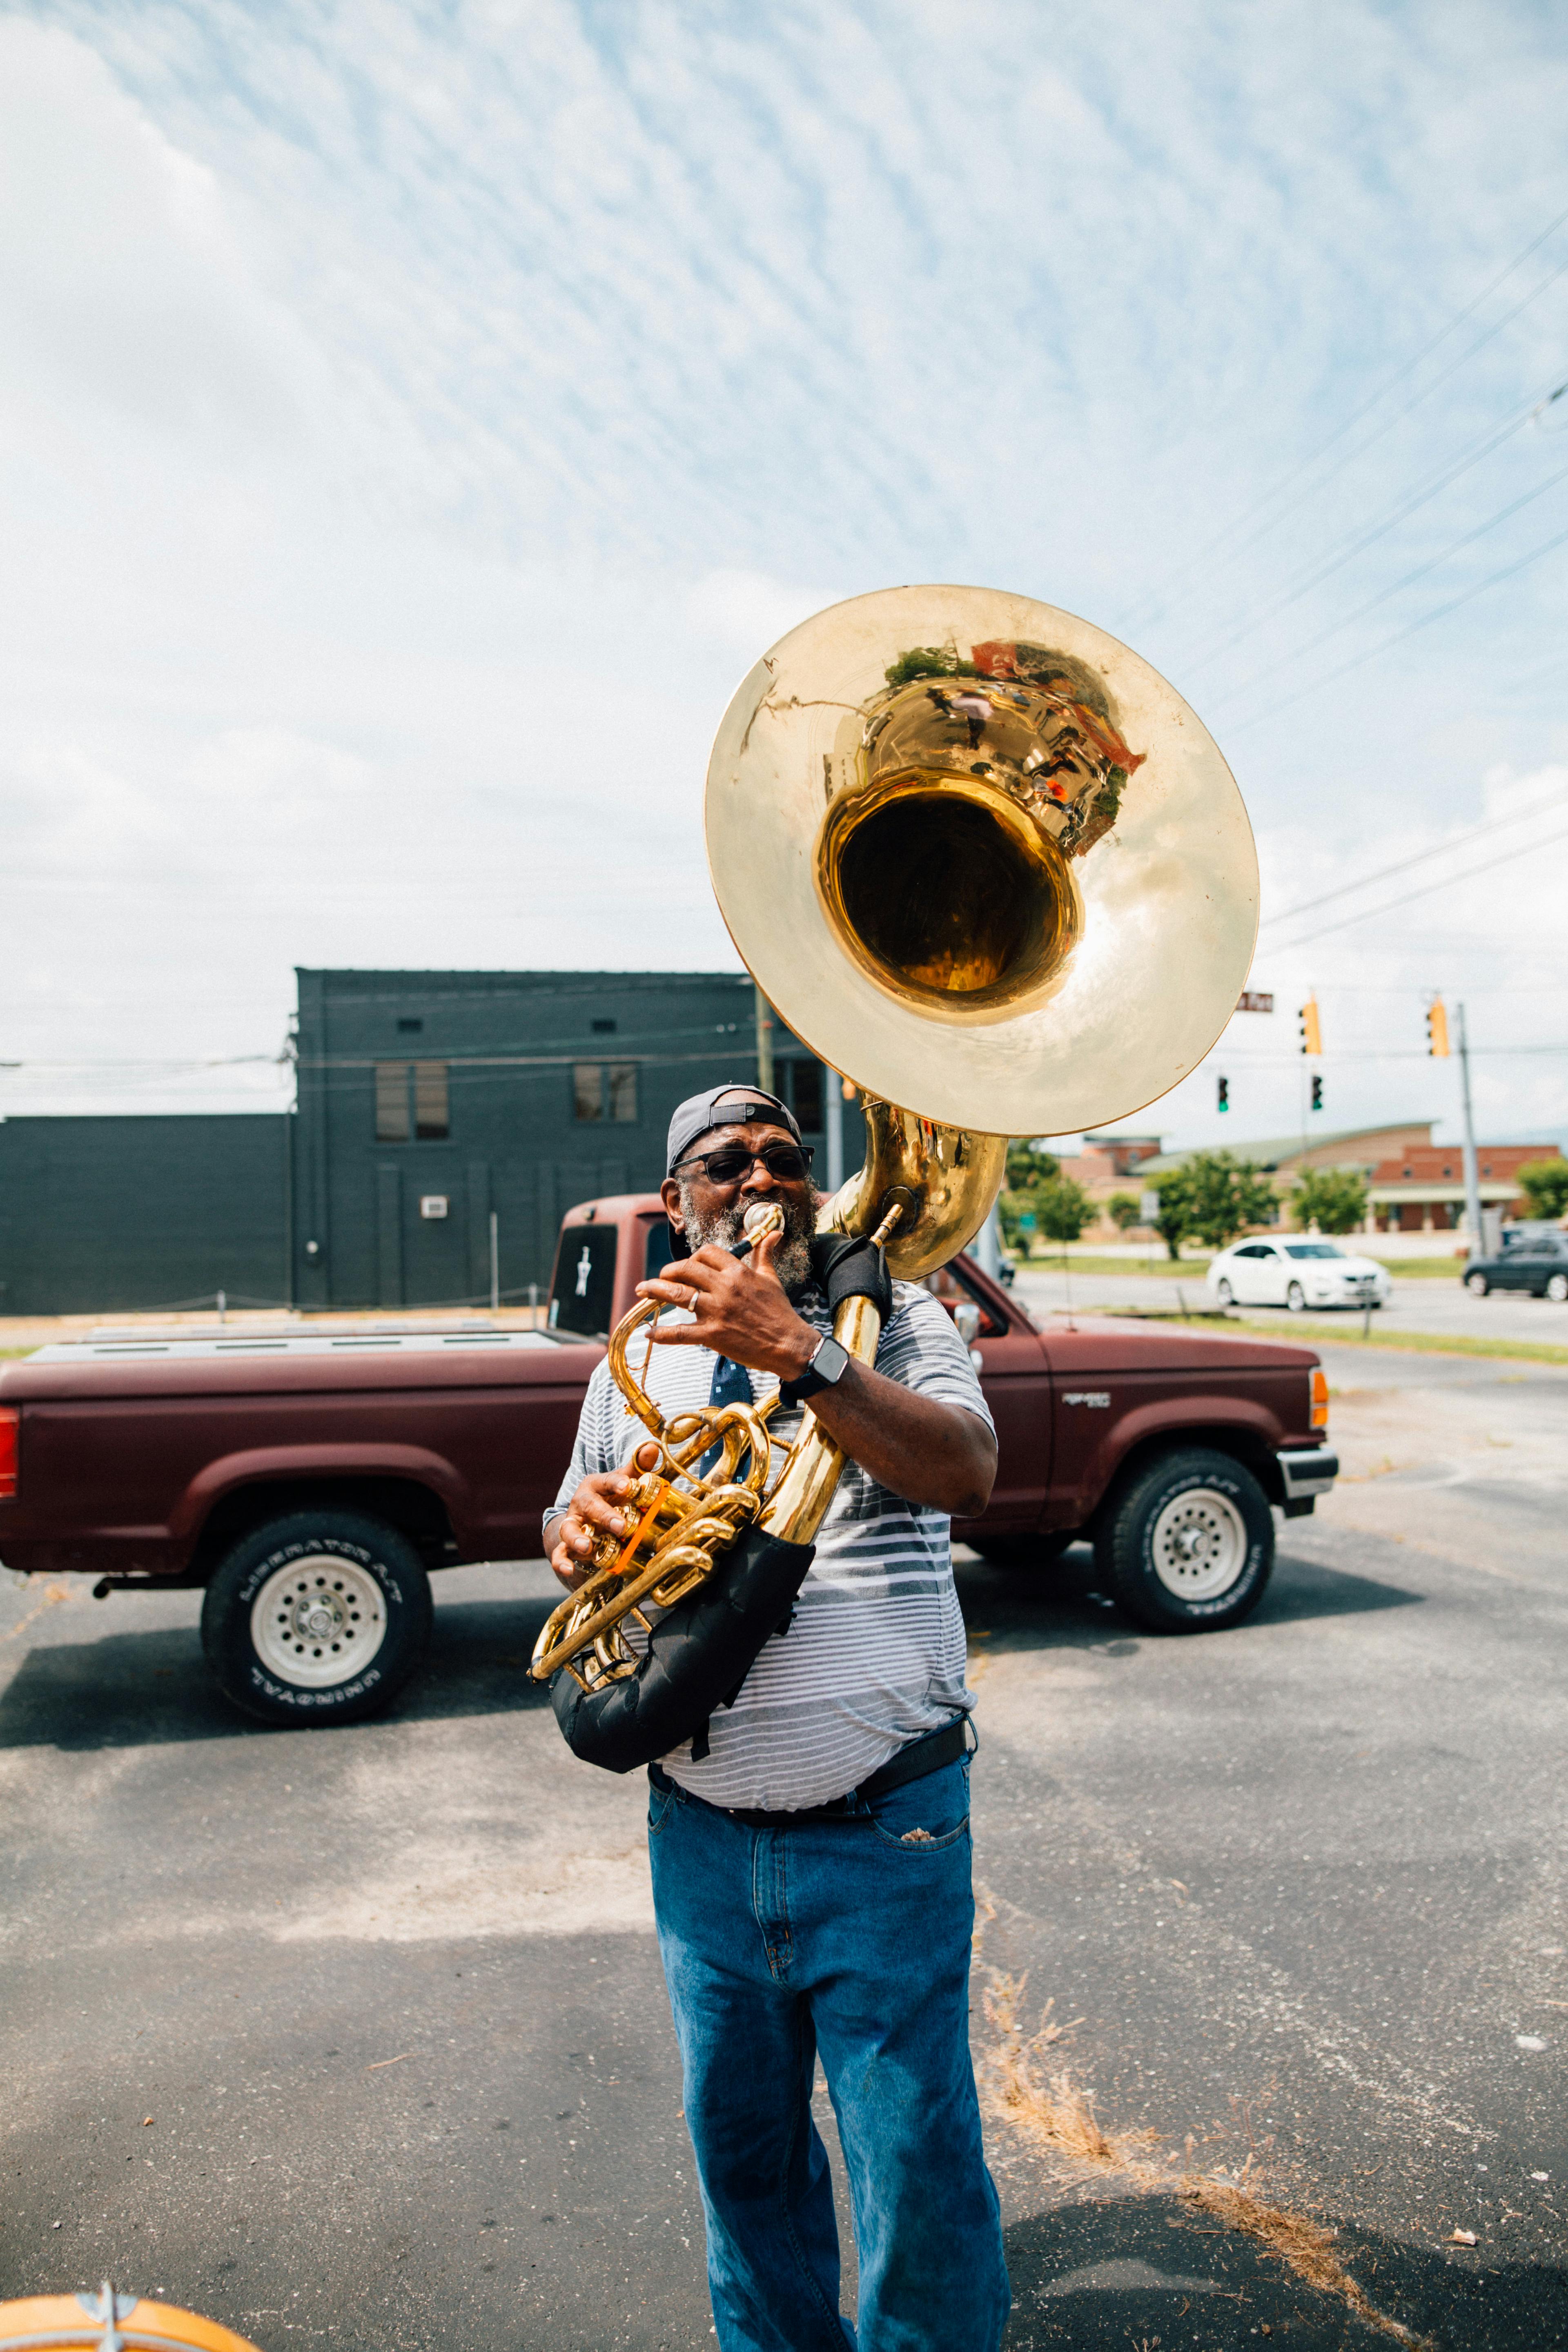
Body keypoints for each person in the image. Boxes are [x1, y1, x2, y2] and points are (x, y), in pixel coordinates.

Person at [543, 1084, 1011, 2352]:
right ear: (677, 1201)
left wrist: (805, 1354)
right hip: (701, 1837)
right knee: (745, 2170)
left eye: (784, 1158)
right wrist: (571, 1533)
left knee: (914, 2168)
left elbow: (965, 1471)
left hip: (886, 1835)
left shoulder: (892, 1312)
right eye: (725, 1163)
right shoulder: (640, 1349)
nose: (761, 1177)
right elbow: (574, 1509)